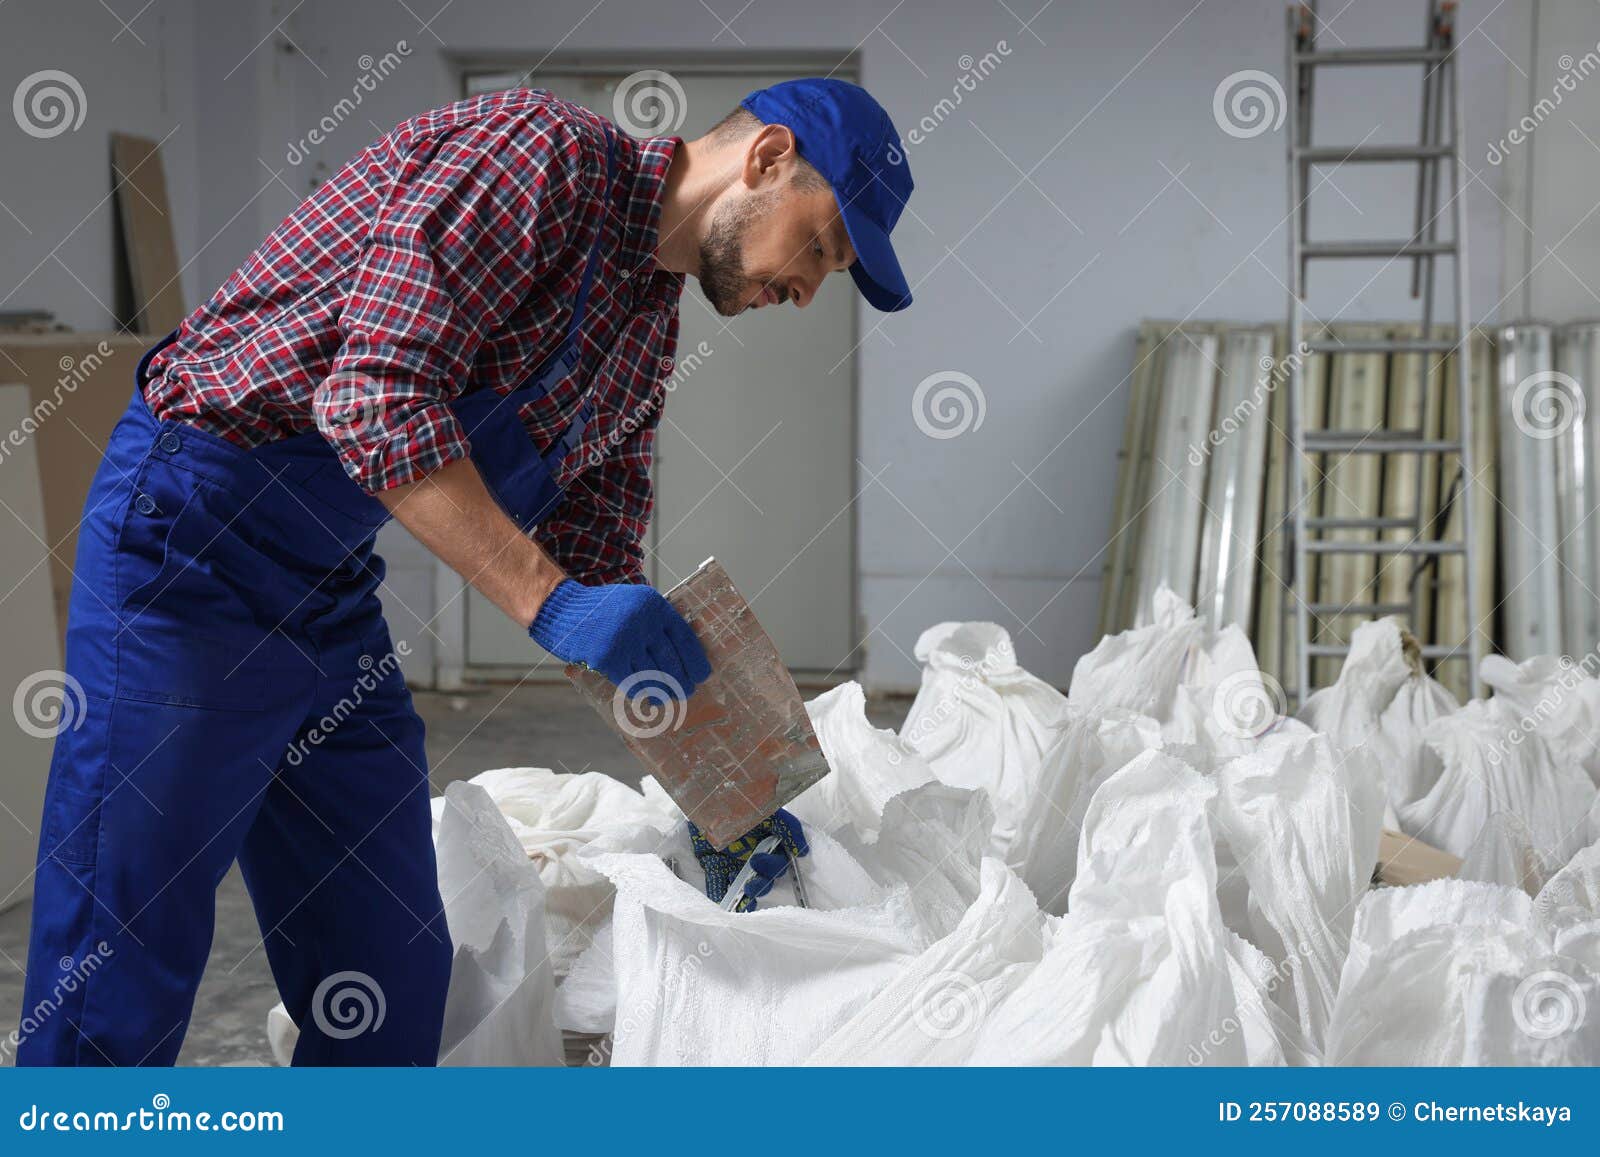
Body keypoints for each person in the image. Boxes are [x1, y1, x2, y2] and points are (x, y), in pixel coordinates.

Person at [18, 77, 914, 1066]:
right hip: (187, 544)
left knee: (389, 967)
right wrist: (552, 602)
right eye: (822, 247)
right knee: (125, 948)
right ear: (768, 157)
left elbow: (598, 561)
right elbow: (375, 400)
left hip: (321, 587)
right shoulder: (537, 158)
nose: (804, 289)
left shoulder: (644, 337)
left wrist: (727, 779)